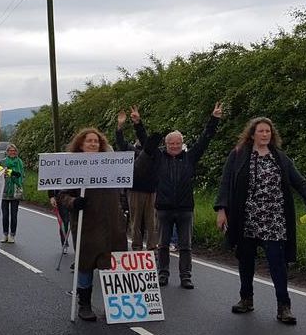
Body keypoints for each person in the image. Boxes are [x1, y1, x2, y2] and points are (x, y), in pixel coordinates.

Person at [214, 117, 306, 325]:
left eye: (268, 131)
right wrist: (221, 210)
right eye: (261, 131)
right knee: (246, 260)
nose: (265, 135)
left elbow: (300, 182)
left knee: (277, 262)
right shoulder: (238, 155)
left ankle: (284, 306)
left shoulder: (280, 158)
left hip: (274, 218)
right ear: (252, 134)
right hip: (247, 216)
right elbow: (225, 182)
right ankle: (246, 298)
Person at [133, 103, 222, 289]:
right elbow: (146, 142)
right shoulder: (158, 157)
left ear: (182, 144)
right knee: (163, 245)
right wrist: (138, 123)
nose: (174, 146)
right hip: (164, 208)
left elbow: (205, 140)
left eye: (177, 143)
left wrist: (214, 119)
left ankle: (185, 277)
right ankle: (163, 274)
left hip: (185, 209)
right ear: (165, 145)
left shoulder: (190, 157)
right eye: (170, 143)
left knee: (185, 246)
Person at [57, 128, 128, 321]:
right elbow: (62, 194)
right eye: (89, 141)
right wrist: (73, 202)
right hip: (87, 223)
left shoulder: (110, 165)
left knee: (113, 263)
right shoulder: (72, 166)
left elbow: (123, 186)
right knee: (86, 264)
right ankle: (85, 304)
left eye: (96, 141)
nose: (93, 144)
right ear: (81, 144)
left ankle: (115, 304)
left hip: (112, 222)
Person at [115, 108, 159, 251]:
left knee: (151, 222)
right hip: (135, 190)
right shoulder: (132, 151)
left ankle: (152, 248)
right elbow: (121, 143)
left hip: (151, 191)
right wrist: (120, 127)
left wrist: (138, 123)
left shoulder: (155, 153)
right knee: (135, 221)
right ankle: (136, 247)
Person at [0, 144, 25, 243]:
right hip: (4, 190)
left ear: (16, 152)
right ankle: (5, 234)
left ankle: (12, 235)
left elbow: (21, 174)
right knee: (5, 215)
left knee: (14, 215)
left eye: (14, 150)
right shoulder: (3, 162)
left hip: (15, 190)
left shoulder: (19, 162)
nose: (12, 152)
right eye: (10, 150)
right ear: (7, 152)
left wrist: (15, 177)